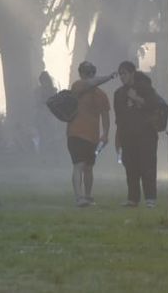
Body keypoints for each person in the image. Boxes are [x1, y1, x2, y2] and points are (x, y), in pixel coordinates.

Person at [113, 61, 161, 208]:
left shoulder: (145, 88)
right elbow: (119, 118)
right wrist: (118, 138)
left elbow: (154, 105)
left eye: (125, 73)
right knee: (131, 167)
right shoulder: (119, 94)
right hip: (128, 135)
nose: (122, 77)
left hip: (146, 134)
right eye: (120, 74)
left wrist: (136, 98)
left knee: (147, 166)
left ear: (132, 73)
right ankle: (133, 199)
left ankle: (150, 199)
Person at [66, 61, 111, 207]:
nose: (88, 75)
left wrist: (105, 134)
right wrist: (109, 77)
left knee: (89, 167)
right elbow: (90, 84)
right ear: (82, 74)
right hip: (76, 133)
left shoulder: (101, 95)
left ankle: (87, 196)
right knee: (79, 165)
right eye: (86, 72)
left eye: (90, 72)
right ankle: (79, 197)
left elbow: (105, 116)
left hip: (92, 137)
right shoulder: (77, 86)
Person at [33, 71, 58, 155]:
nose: (44, 83)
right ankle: (42, 153)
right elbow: (37, 102)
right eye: (42, 81)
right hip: (41, 115)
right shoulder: (38, 91)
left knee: (51, 134)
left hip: (51, 115)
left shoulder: (53, 90)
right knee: (42, 134)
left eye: (45, 80)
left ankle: (51, 152)